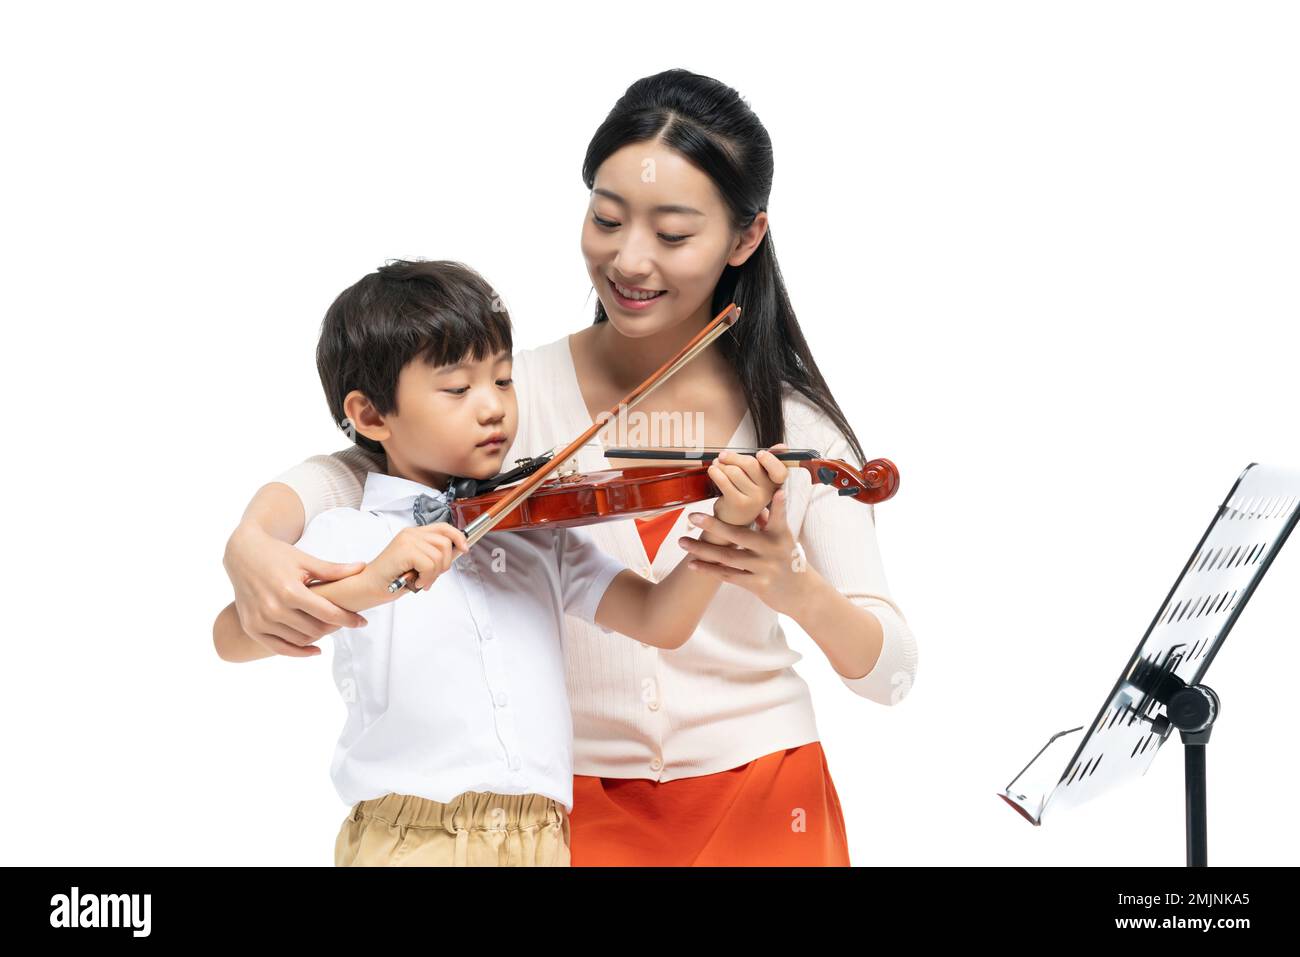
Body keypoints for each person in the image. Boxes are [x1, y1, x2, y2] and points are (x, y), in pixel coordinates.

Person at [221, 69, 919, 866]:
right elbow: (358, 471)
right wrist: (252, 538)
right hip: (566, 812)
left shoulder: (794, 427)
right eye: (607, 218)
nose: (629, 259)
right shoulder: (510, 393)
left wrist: (789, 580)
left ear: (744, 238)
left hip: (765, 793)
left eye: (674, 233)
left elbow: (890, 672)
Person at [212, 259, 787, 866]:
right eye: (458, 389)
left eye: (505, 381)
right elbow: (233, 636)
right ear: (371, 416)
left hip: (542, 838)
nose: (493, 408)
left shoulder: (535, 536)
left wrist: (728, 522)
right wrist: (370, 583)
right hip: (414, 837)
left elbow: (659, 621)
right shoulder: (350, 532)